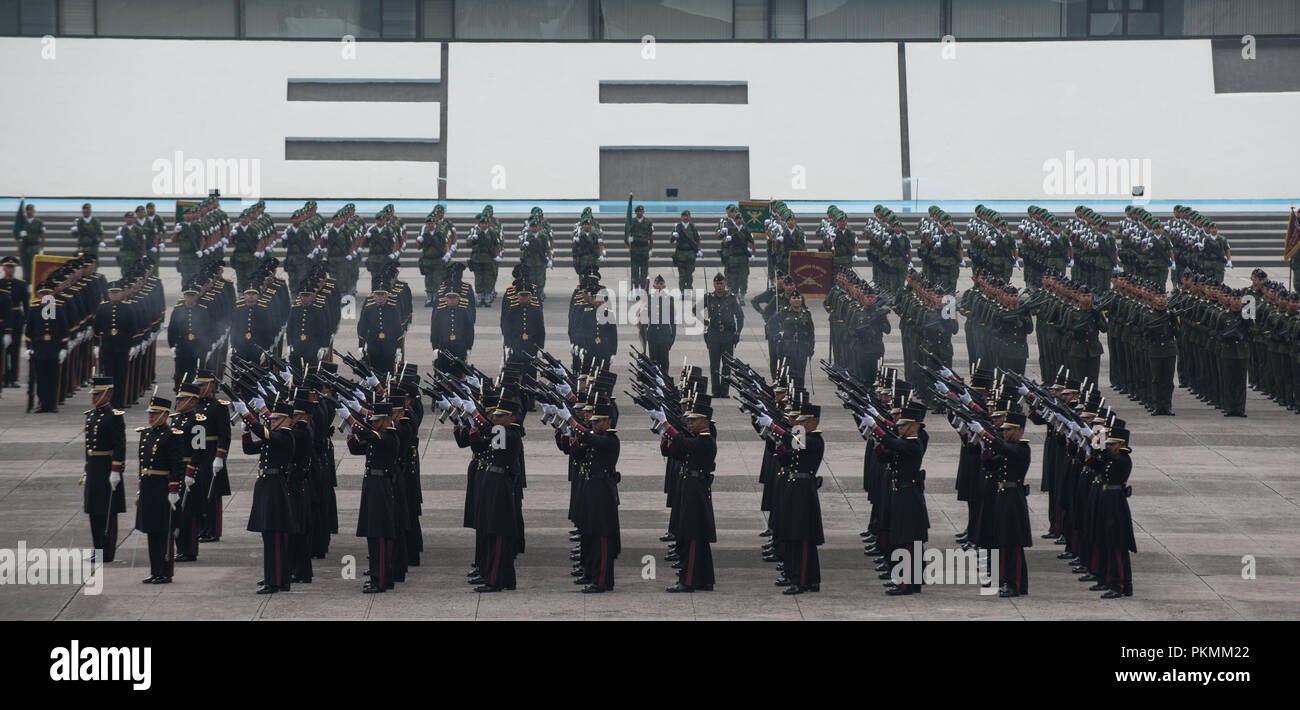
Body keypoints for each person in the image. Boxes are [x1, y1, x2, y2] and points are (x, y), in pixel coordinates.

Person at [238, 399, 297, 594]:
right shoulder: (274, 436)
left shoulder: (286, 436)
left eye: (277, 418)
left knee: (275, 535)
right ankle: (274, 576)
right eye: (272, 418)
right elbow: (249, 449)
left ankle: (277, 580)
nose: (272, 421)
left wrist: (248, 415)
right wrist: (245, 431)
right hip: (266, 486)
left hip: (275, 488)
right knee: (268, 535)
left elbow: (266, 434)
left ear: (287, 420)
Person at [662, 394, 717, 593]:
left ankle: (689, 580)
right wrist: (666, 433)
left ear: (706, 421)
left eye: (694, 419)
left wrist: (668, 426)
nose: (689, 422)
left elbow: (685, 445)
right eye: (688, 419)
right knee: (694, 537)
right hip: (690, 489)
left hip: (695, 491)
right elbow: (674, 452)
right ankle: (704, 579)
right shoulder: (695, 438)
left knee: (692, 537)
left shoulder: (706, 441)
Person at [774, 404, 825, 595]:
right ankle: (811, 579)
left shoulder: (815, 440)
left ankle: (800, 580)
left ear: (814, 422)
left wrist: (774, 427)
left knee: (802, 537)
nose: (800, 424)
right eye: (800, 422)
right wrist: (778, 446)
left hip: (804, 492)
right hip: (796, 491)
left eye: (804, 421)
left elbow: (792, 439)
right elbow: (788, 458)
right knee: (800, 536)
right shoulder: (804, 439)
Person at [134, 395, 184, 584]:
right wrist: (140, 486)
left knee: (164, 530)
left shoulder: (172, 436)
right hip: (148, 487)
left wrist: (174, 490)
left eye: (154, 414)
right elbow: (142, 463)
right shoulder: (146, 434)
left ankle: (165, 571)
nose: (150, 417)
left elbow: (176, 465)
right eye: (150, 414)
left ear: (164, 415)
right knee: (151, 530)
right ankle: (154, 570)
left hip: (163, 487)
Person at [83, 377, 126, 562]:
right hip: (94, 467)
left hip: (107, 467)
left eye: (97, 394)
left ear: (107, 394)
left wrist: (116, 469)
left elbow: (120, 445)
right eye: (93, 394)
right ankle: (97, 548)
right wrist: (86, 469)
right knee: (94, 510)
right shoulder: (91, 415)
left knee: (108, 510)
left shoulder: (114, 416)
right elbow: (88, 447)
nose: (94, 397)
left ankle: (107, 551)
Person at [702, 273, 743, 398]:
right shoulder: (708, 297)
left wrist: (737, 333)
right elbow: (694, 310)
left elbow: (740, 316)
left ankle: (725, 391)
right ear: (714, 284)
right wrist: (704, 322)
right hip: (713, 335)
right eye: (717, 283)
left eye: (721, 283)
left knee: (727, 365)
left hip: (727, 335)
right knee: (714, 365)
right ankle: (715, 390)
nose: (719, 286)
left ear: (725, 284)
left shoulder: (731, 298)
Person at [0, 255, 27, 387]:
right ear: (3, 268)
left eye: (12, 267)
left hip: (16, 318)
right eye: (8, 266)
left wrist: (27, 320)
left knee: (15, 350)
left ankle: (14, 378)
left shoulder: (20, 284)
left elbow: (26, 304)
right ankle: (4, 377)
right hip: (2, 319)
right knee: (2, 350)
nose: (10, 269)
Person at [644, 275, 676, 375]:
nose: (659, 286)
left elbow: (672, 320)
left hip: (664, 334)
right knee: (653, 361)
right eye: (657, 284)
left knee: (664, 362)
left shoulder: (669, 299)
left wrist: (672, 337)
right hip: (652, 334)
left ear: (664, 286)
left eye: (661, 284)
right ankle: (655, 385)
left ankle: (665, 384)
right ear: (653, 285)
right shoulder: (648, 298)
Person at [670, 210, 702, 292]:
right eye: (684, 216)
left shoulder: (692, 227)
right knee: (682, 275)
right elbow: (671, 240)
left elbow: (698, 239)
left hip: (691, 254)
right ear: (681, 217)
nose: (685, 217)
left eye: (687, 216)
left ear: (689, 217)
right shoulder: (677, 227)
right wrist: (674, 236)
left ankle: (688, 290)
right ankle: (682, 291)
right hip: (680, 254)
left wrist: (699, 250)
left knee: (689, 275)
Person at [627, 205, 653, 289]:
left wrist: (651, 249)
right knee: (634, 270)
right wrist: (630, 246)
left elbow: (651, 236)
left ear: (643, 212)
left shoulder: (648, 221)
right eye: (638, 211)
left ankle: (643, 288)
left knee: (644, 270)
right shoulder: (632, 221)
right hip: (635, 248)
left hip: (644, 248)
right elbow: (628, 234)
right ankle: (636, 288)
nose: (640, 213)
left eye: (641, 211)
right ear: (636, 212)